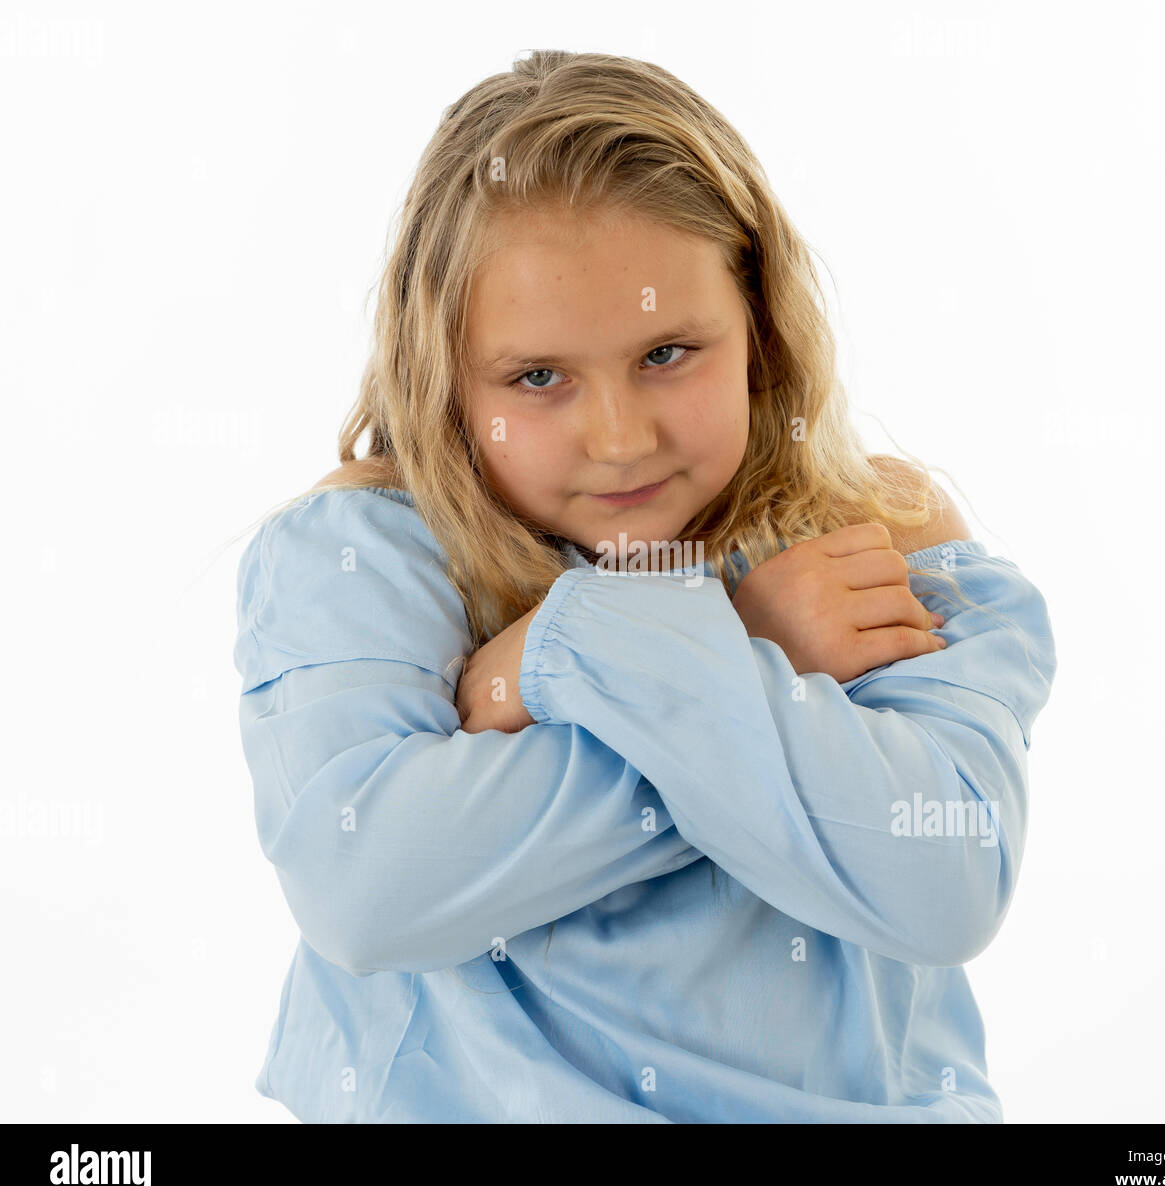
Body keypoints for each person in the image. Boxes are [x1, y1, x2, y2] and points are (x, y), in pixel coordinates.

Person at [232, 49, 1056, 1123]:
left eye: (667, 353)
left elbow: (941, 880)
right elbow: (370, 890)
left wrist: (561, 656)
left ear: (758, 324)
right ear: (443, 375)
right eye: (538, 377)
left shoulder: (874, 533)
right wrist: (741, 643)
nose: (619, 438)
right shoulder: (367, 553)